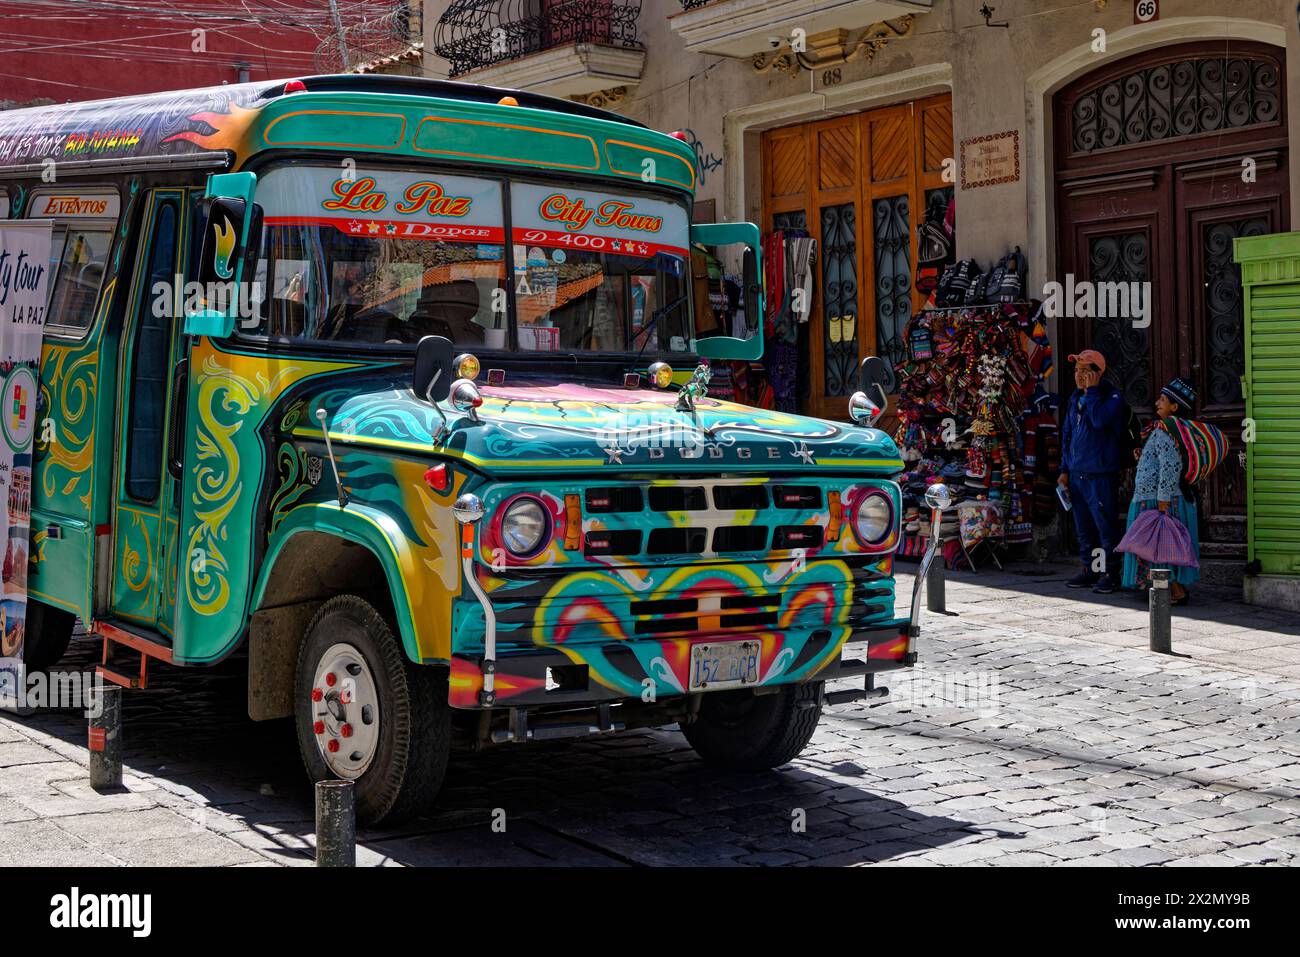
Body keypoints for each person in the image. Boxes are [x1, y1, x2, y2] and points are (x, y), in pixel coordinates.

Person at [1121, 377, 1201, 604]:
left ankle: (1175, 591)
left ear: (1174, 407)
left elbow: (1170, 465)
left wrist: (1163, 498)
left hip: (1157, 499)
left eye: (1163, 400)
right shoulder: (1175, 430)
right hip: (1161, 496)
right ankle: (1173, 589)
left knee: (1161, 547)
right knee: (1164, 546)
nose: (1157, 402)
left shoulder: (1165, 431)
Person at [1058, 348, 1126, 593]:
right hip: (1077, 475)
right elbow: (1067, 435)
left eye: (1085, 371)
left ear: (1098, 373)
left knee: (1105, 527)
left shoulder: (1112, 398)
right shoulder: (1075, 399)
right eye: (1077, 371)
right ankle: (1090, 569)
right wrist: (1064, 469)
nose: (1079, 376)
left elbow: (1098, 421)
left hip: (1100, 475)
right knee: (1084, 528)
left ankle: (1110, 572)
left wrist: (1093, 391)